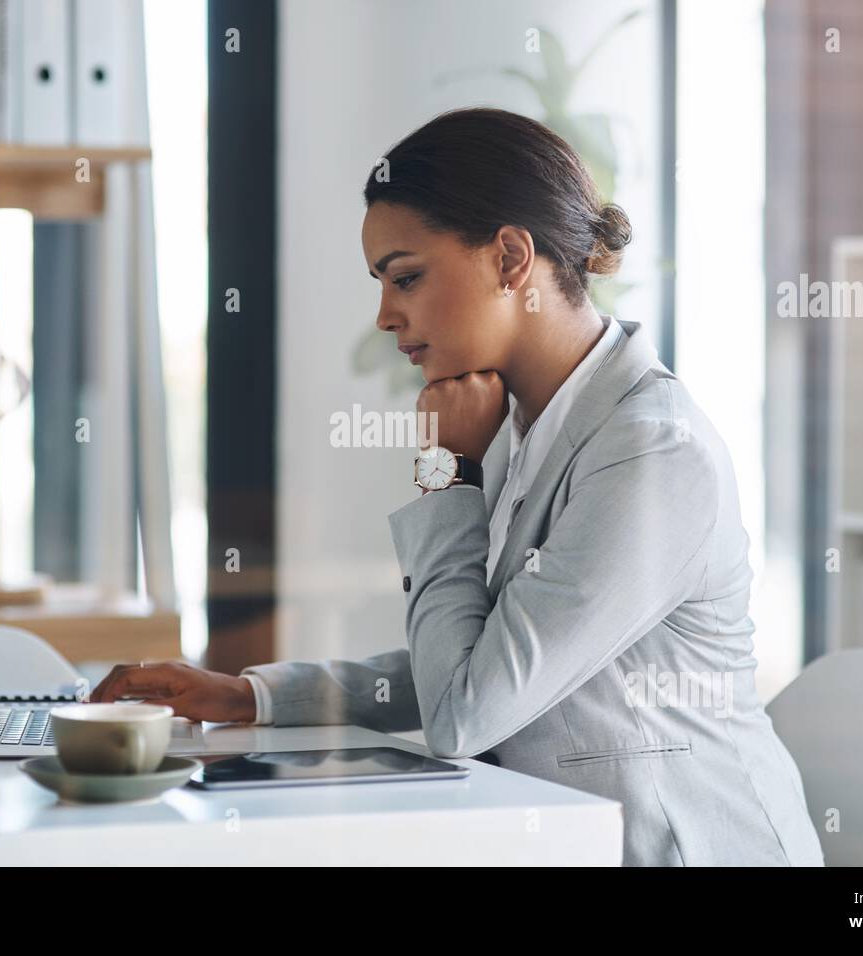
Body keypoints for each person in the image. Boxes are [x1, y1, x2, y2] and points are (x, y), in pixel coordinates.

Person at [92, 107, 824, 867]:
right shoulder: (526, 422)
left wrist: (446, 473)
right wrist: (250, 698)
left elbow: (465, 713)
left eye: (406, 276)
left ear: (511, 258)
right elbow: (481, 663)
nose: (384, 316)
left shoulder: (652, 454)